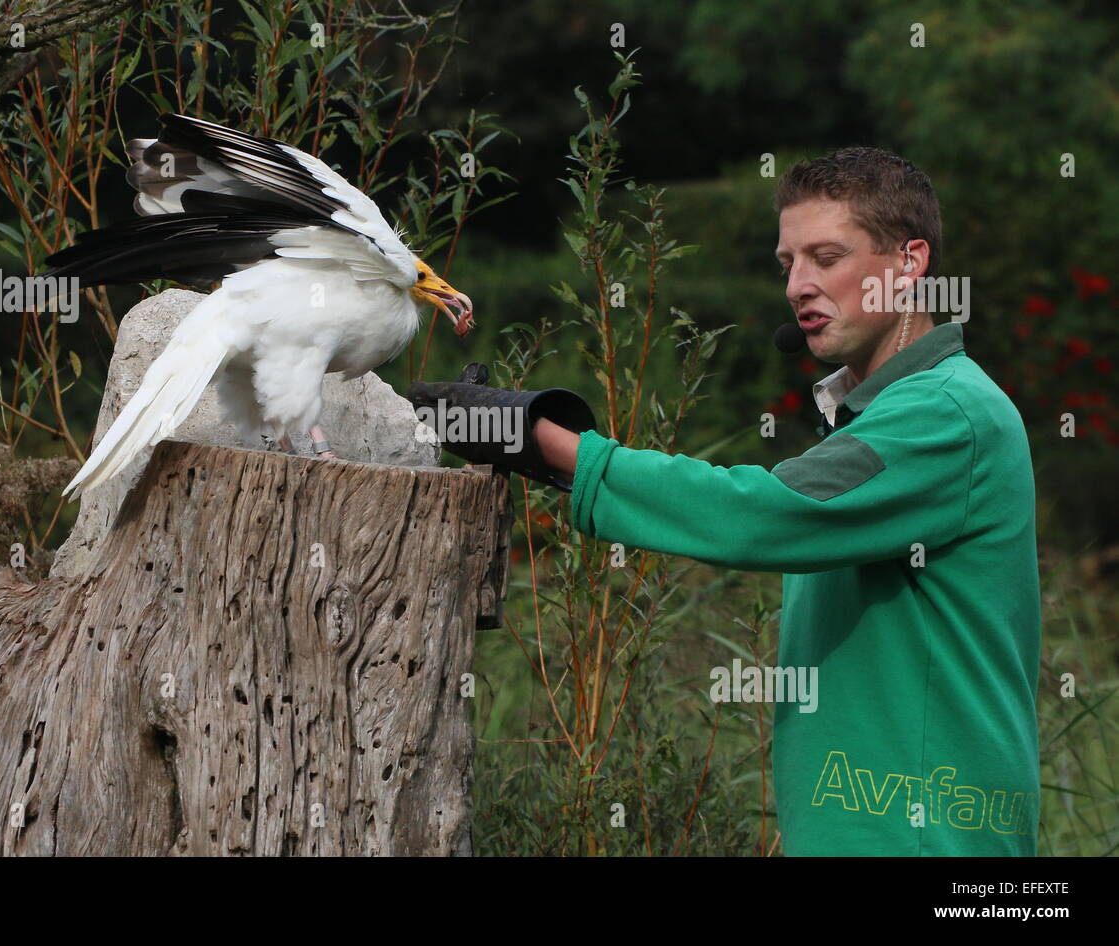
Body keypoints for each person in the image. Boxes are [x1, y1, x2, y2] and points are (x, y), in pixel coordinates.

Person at [406, 147, 1042, 856]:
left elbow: (765, 514)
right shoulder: (891, 413)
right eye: (787, 264)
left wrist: (538, 438)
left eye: (826, 257)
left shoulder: (948, 415)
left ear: (910, 262)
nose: (798, 285)